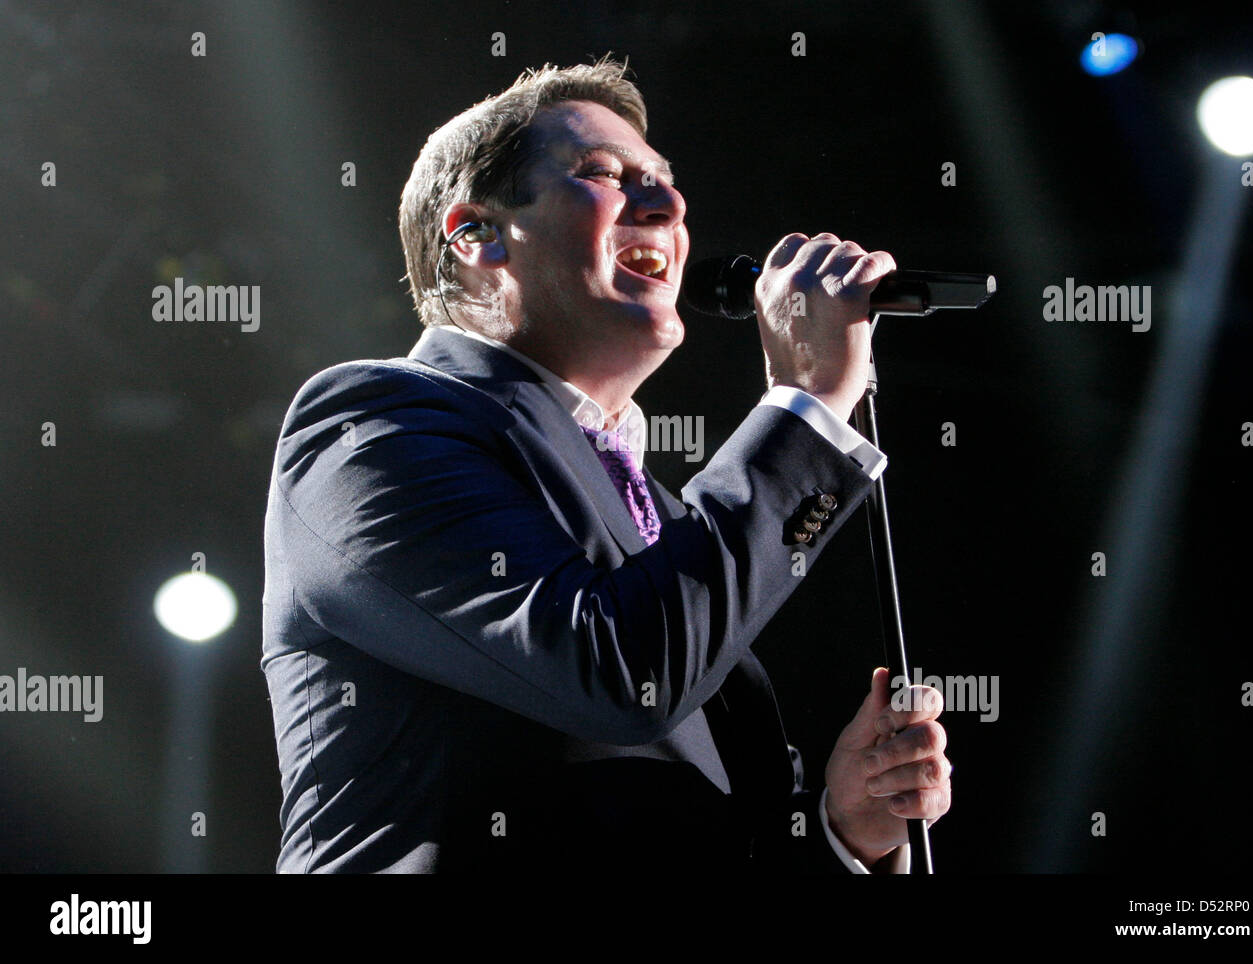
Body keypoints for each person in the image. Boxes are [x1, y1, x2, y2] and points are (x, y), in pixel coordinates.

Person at [261, 56, 951, 873]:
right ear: (476, 235)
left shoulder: (661, 518)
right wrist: (804, 405)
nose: (667, 203)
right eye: (603, 174)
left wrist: (843, 828)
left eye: (665, 183)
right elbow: (620, 673)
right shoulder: (372, 425)